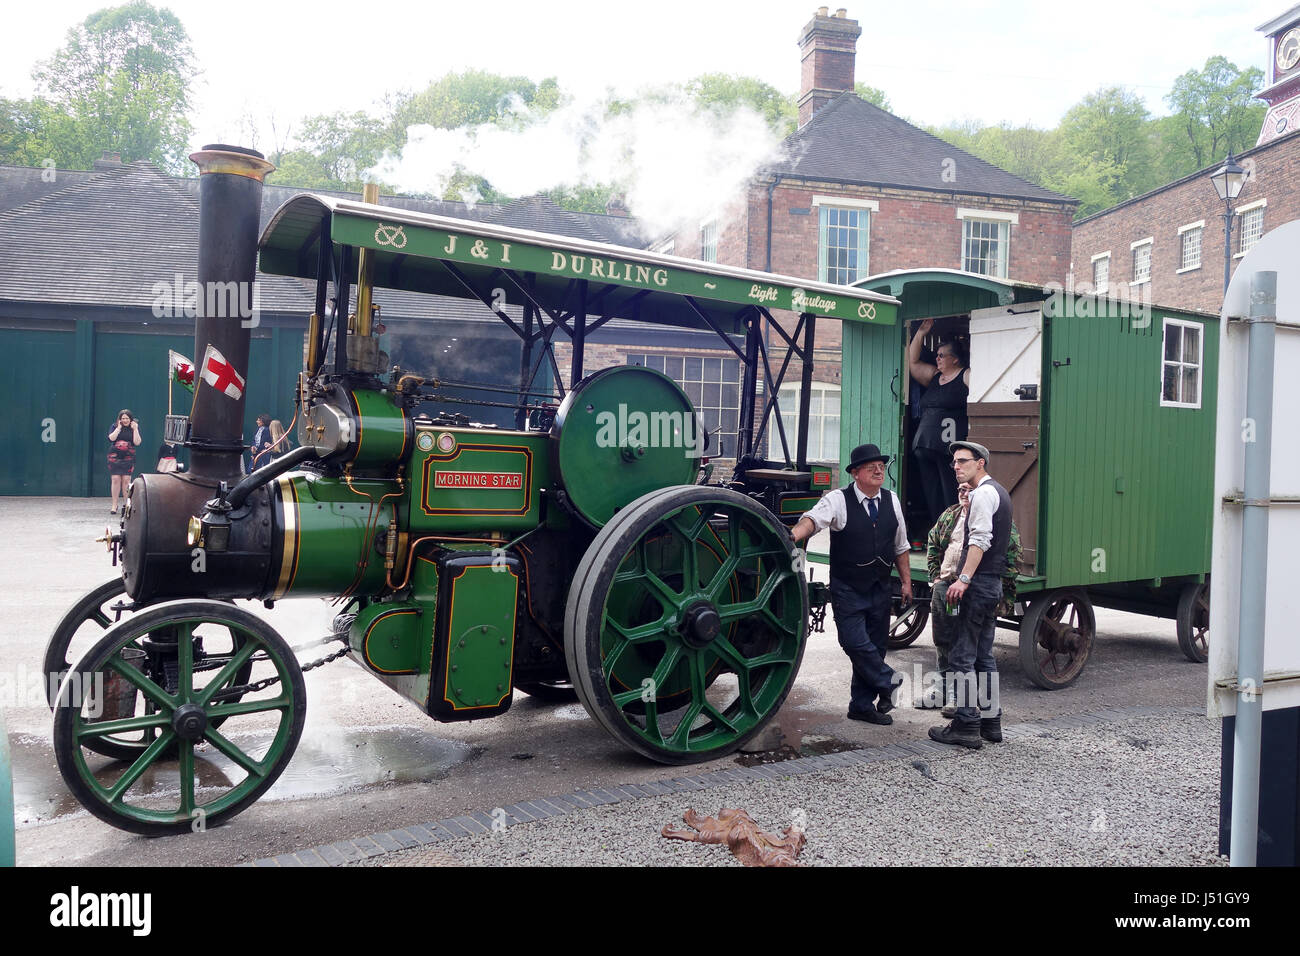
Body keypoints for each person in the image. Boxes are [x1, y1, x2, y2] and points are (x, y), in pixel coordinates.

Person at [791, 443, 912, 725]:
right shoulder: (837, 500)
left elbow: (901, 545)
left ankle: (861, 706)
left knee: (876, 645)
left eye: (881, 465)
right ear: (856, 473)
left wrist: (906, 581)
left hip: (880, 586)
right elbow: (812, 520)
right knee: (854, 641)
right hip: (848, 587)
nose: (879, 469)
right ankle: (888, 681)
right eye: (871, 466)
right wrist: (794, 536)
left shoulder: (891, 500)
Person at [928, 440, 1012, 749]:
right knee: (983, 655)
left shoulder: (982, 494)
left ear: (981, 464)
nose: (957, 466)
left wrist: (963, 579)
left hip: (978, 585)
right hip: (991, 584)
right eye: (954, 462)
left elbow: (979, 541)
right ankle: (991, 723)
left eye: (963, 461)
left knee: (962, 656)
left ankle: (965, 724)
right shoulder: (999, 492)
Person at [925, 480, 1022, 712]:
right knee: (943, 640)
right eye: (960, 489)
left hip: (971, 591)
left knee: (968, 650)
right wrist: (936, 577)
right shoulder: (950, 515)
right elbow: (933, 542)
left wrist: (999, 588)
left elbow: (1011, 556)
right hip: (946, 588)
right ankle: (942, 689)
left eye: (969, 490)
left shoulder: (994, 519)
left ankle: (961, 702)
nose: (963, 493)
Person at [908, 318, 970, 528]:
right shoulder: (935, 377)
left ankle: (954, 532)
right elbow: (913, 362)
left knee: (950, 494)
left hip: (948, 450)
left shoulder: (965, 376)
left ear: (954, 359)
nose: (937, 358)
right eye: (937, 355)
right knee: (932, 496)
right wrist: (921, 333)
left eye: (942, 355)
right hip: (924, 447)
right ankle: (939, 533)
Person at [107, 409, 141, 513]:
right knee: (115, 479)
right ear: (120, 419)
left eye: (127, 418)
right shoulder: (114, 426)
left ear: (130, 419)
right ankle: (114, 505)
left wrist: (135, 429)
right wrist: (118, 428)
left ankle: (127, 505)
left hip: (128, 456)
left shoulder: (133, 428)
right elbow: (111, 439)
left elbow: (137, 442)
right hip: (115, 456)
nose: (125, 420)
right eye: (123, 418)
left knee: (126, 480)